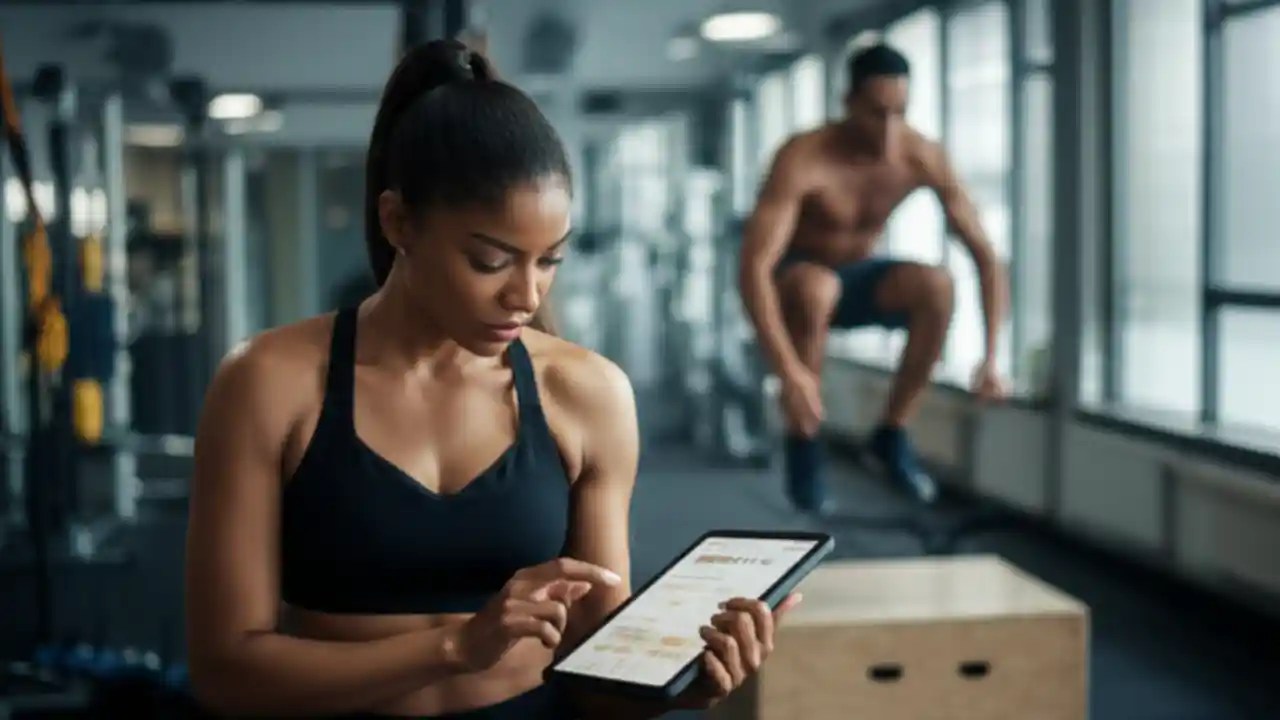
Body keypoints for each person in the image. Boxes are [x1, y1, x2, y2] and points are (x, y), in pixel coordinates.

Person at [184, 40, 800, 720]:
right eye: (490, 261)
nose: (526, 296)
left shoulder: (587, 394)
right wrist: (455, 647)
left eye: (549, 261)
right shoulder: (268, 383)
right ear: (398, 222)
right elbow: (225, 671)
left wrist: (688, 685)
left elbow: (600, 679)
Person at [738, 43, 1008, 513]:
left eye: (899, 114)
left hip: (858, 279)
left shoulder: (922, 156)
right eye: (875, 113)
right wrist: (789, 375)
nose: (888, 131)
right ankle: (804, 443)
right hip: (796, 280)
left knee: (937, 286)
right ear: (848, 105)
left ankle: (891, 434)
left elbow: (985, 255)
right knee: (816, 287)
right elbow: (753, 268)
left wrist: (990, 358)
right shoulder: (804, 157)